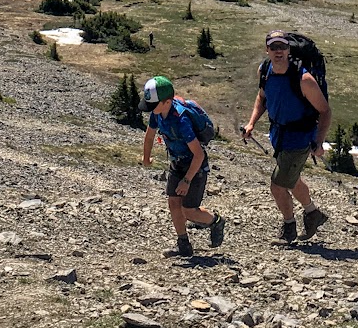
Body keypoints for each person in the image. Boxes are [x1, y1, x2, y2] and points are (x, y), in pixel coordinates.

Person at [241, 31, 331, 243]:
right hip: (279, 135)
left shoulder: (304, 79)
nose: (278, 51)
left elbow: (325, 111)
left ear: (289, 50)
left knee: (277, 185)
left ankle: (289, 227)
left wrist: (319, 141)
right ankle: (312, 213)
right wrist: (252, 122)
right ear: (267, 50)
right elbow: (262, 97)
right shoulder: (264, 71)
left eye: (282, 46)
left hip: (300, 137)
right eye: (274, 47)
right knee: (290, 179)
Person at [140, 75, 226, 258]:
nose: (150, 110)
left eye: (153, 105)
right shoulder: (157, 114)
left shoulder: (181, 121)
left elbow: (199, 154)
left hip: (195, 167)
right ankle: (183, 245)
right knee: (173, 203)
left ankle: (215, 221)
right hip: (177, 163)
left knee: (189, 211)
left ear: (167, 102)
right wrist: (146, 158)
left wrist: (187, 181)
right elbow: (149, 136)